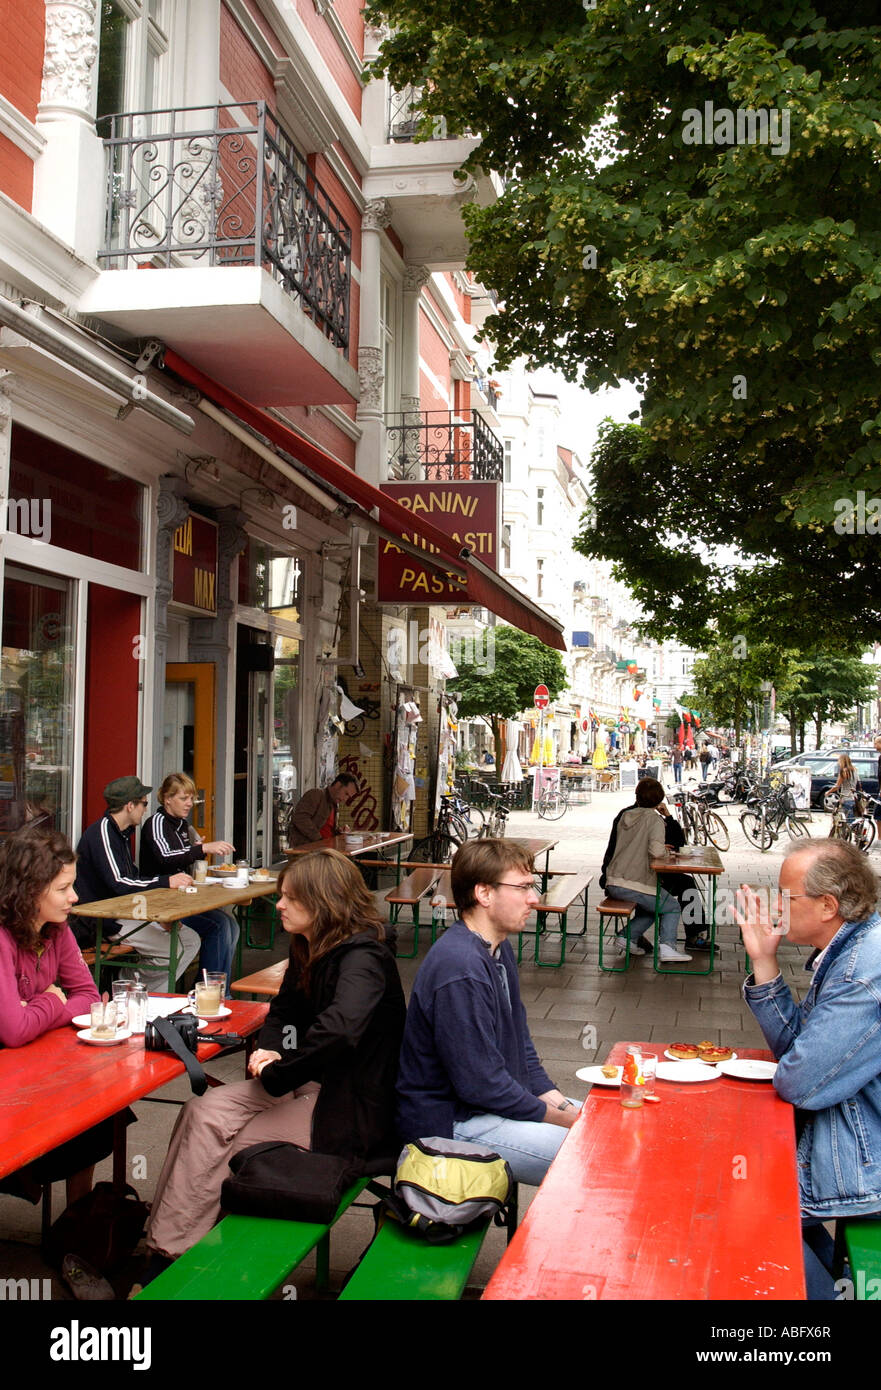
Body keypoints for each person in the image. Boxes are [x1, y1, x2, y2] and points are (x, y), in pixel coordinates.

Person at [144, 848, 405, 1265]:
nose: (279, 905)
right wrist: (269, 1048)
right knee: (203, 1111)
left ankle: (180, 1261)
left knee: (229, 1150)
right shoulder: (310, 945)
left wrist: (281, 1073)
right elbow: (284, 1011)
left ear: (324, 903)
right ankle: (164, 1245)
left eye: (291, 899)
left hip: (347, 1106)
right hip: (302, 1082)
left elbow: (338, 1032)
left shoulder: (363, 959)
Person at [734, 840, 881, 1300]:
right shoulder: (846, 950)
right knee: (747, 1193)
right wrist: (764, 962)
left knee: (737, 1210)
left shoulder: (862, 972)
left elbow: (800, 1082)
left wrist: (797, 1067)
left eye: (785, 897)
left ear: (827, 905)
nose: (776, 906)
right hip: (847, 1140)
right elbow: (799, 1055)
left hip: (867, 1160)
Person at [396, 839, 580, 1185]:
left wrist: (564, 1105)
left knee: (611, 1124)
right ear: (484, 893)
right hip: (450, 1124)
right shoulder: (460, 967)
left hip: (490, 1108)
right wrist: (565, 1120)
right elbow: (480, 1086)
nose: (534, 898)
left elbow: (521, 1046)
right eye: (523, 887)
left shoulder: (496, 947)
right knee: (591, 1154)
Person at [0, 827, 128, 1212]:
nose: (75, 897)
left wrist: (40, 1006)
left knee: (101, 1111)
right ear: (28, 890)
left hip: (29, 1064)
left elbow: (88, 997)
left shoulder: (57, 930)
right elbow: (12, 1029)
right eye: (63, 888)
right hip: (9, 1081)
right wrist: (54, 1002)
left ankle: (77, 1222)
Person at [74, 776, 200, 989]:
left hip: (127, 911)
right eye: (144, 803)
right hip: (105, 918)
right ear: (130, 805)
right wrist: (165, 881)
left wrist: (156, 912)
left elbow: (133, 878)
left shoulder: (121, 833)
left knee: (190, 941)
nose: (145, 809)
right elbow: (120, 883)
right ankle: (134, 994)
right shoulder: (103, 832)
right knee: (173, 950)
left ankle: (132, 987)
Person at [139, 773, 238, 993]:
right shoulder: (156, 822)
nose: (189, 804)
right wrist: (201, 849)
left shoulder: (182, 825)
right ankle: (207, 992)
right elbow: (165, 857)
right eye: (184, 798)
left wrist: (196, 852)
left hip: (180, 898)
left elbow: (181, 859)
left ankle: (220, 990)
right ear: (167, 798)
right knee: (219, 926)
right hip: (159, 901)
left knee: (230, 924)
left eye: (191, 798)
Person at [599, 776, 691, 962]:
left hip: (614, 878)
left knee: (654, 907)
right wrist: (665, 853)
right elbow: (656, 851)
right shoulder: (654, 820)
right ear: (659, 799)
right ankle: (667, 948)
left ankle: (626, 936)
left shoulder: (626, 816)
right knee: (672, 907)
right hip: (634, 882)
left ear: (637, 796)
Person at [286, 774, 358, 847]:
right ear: (337, 785)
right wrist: (319, 839)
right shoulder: (316, 795)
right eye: (346, 794)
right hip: (308, 850)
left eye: (348, 797)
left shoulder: (334, 804)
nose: (345, 799)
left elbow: (327, 828)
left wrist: (339, 831)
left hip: (324, 849)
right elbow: (300, 818)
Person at [829, 753, 860, 823]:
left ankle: (849, 833)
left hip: (846, 797)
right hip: (854, 797)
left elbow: (837, 786)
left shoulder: (844, 771)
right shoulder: (855, 770)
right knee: (852, 819)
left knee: (848, 821)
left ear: (842, 761)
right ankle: (855, 831)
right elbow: (858, 784)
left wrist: (828, 792)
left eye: (839, 760)